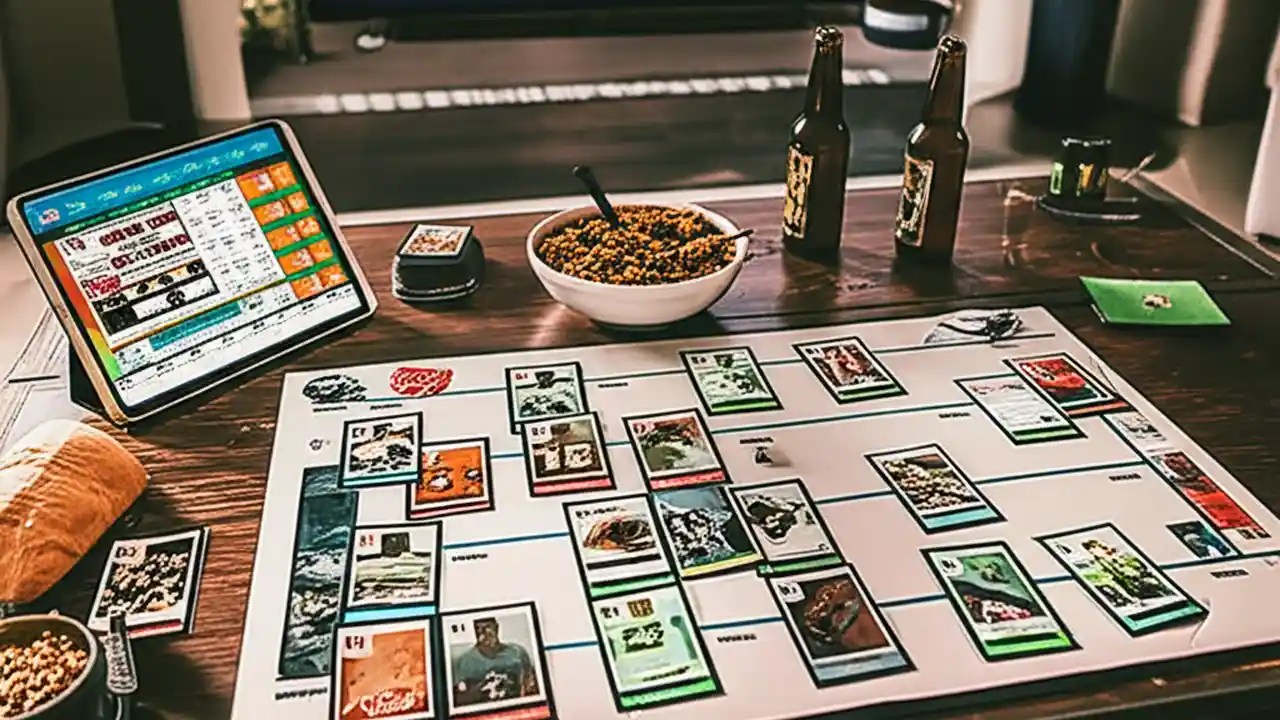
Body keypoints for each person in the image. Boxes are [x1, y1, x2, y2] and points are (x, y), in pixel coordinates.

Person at [452, 617, 538, 707]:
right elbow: (460, 699)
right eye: (478, 628)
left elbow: (530, 687)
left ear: (496, 627)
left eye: (488, 627)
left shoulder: (517, 653)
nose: (484, 632)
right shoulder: (465, 661)